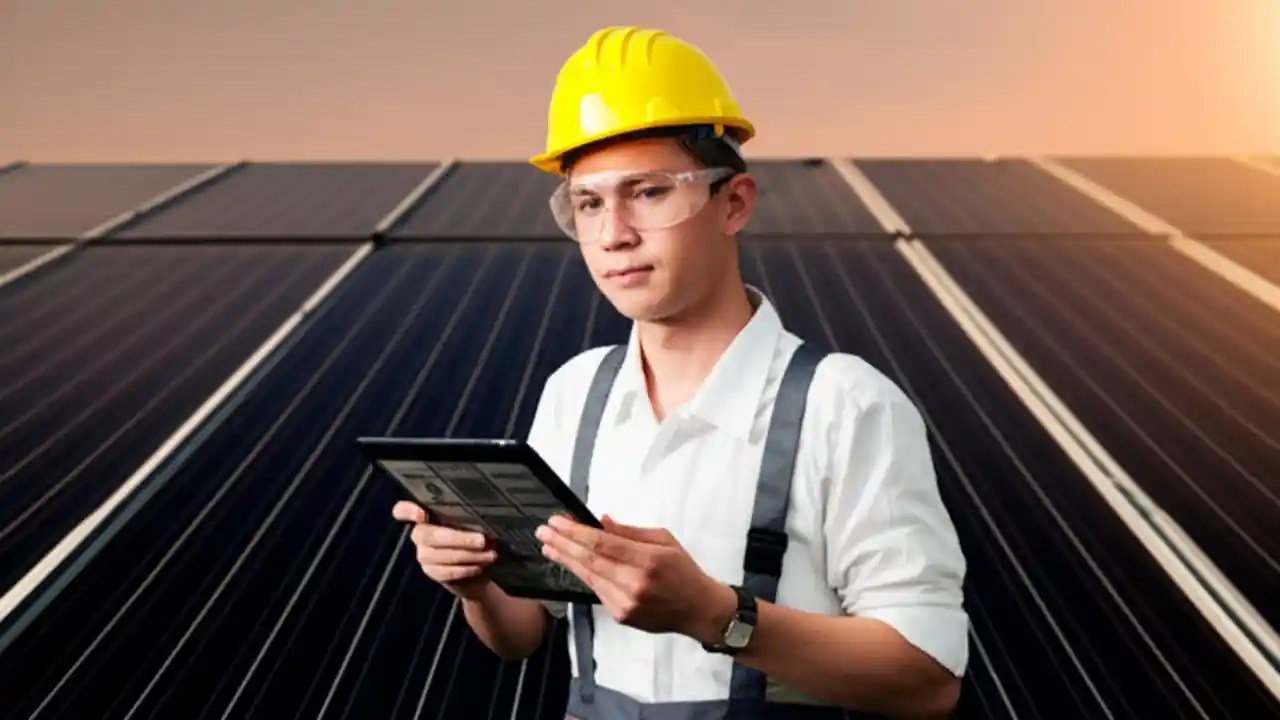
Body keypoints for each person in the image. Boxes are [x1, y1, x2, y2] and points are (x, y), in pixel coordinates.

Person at [392, 25, 968, 719]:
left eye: (649, 192)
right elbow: (522, 636)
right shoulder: (574, 396)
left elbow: (928, 682)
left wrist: (714, 614)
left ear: (734, 203)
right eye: (589, 203)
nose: (613, 235)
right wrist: (478, 586)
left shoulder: (846, 405)